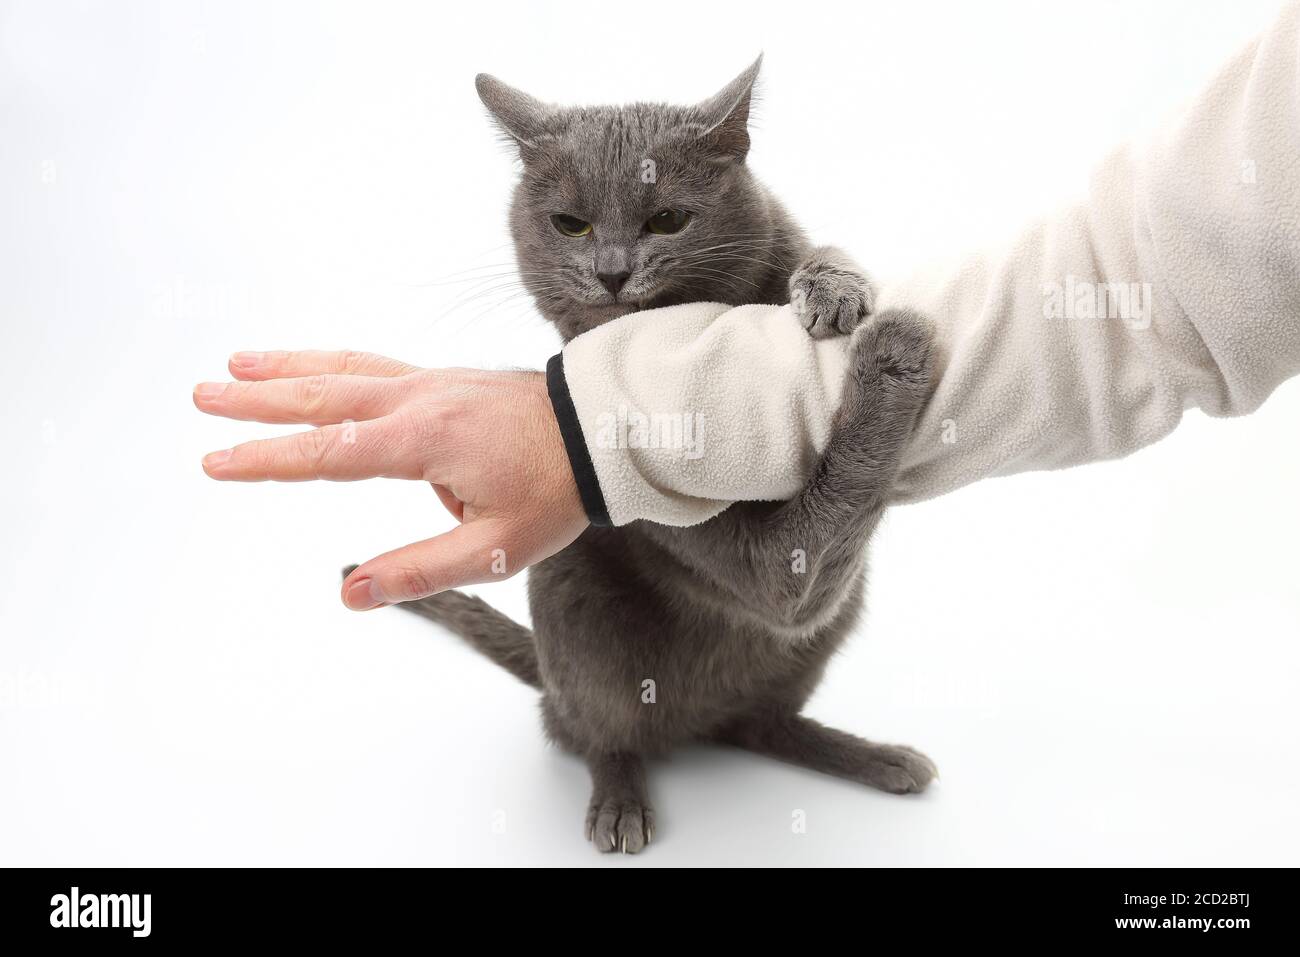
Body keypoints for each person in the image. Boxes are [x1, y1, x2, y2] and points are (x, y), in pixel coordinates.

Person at [196, 3, 1300, 611]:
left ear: (733, 163)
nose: (616, 267)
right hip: (670, 617)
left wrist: (597, 430)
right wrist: (588, 432)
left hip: (775, 600)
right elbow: (1156, 278)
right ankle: (619, 747)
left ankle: (761, 723)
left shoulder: (760, 246)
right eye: (574, 230)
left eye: (659, 226)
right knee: (600, 606)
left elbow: (1154, 287)